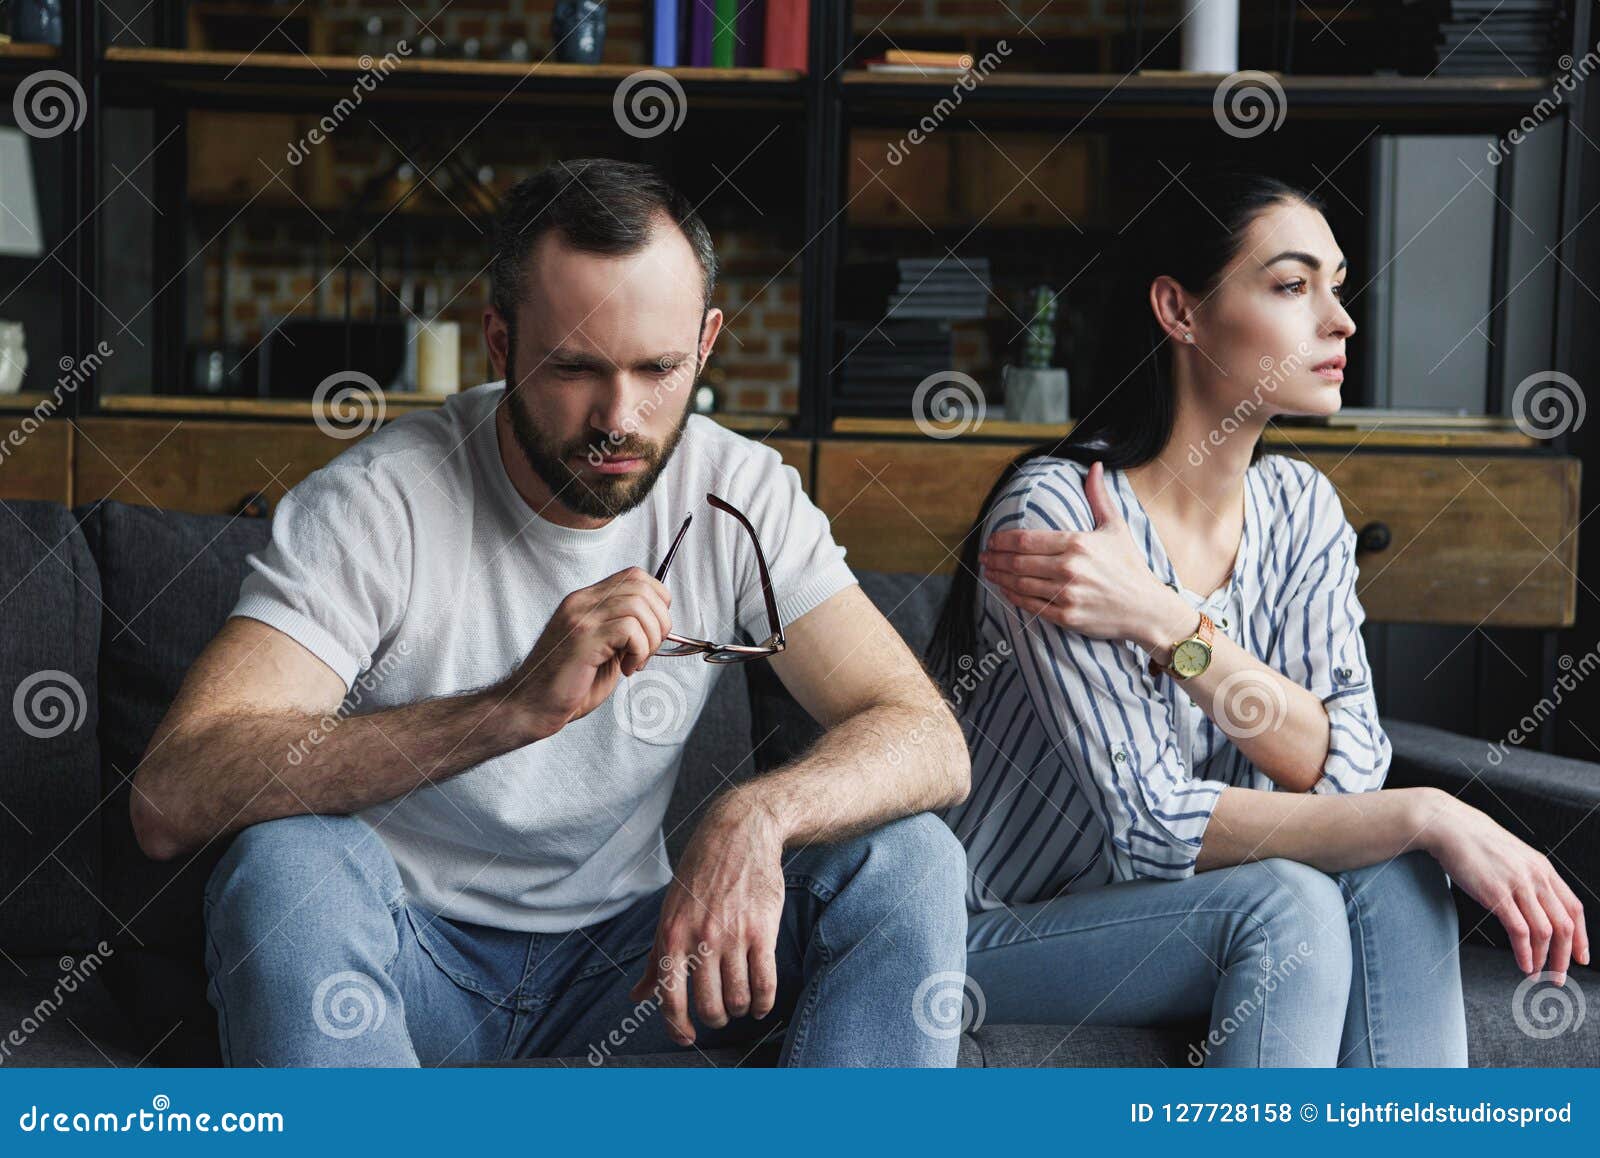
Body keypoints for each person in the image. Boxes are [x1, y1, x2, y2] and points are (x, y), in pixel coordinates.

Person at [132, 158, 971, 1067]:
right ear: (499, 344)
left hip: (639, 973)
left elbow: (928, 738)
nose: (620, 417)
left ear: (708, 341)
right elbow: (169, 796)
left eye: (659, 368)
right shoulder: (379, 502)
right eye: (574, 367)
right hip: (406, 964)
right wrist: (506, 711)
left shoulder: (739, 493)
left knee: (912, 859)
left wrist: (758, 817)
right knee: (285, 868)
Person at [925, 171, 1588, 1067]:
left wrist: (1167, 622)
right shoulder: (1060, 516)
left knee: (1394, 868)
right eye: (1291, 285)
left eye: (1337, 285)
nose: (1340, 321)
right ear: (1180, 311)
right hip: (1001, 932)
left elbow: (1351, 766)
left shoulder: (1302, 506)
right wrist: (1427, 810)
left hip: (1198, 906)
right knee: (1297, 900)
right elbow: (1152, 823)